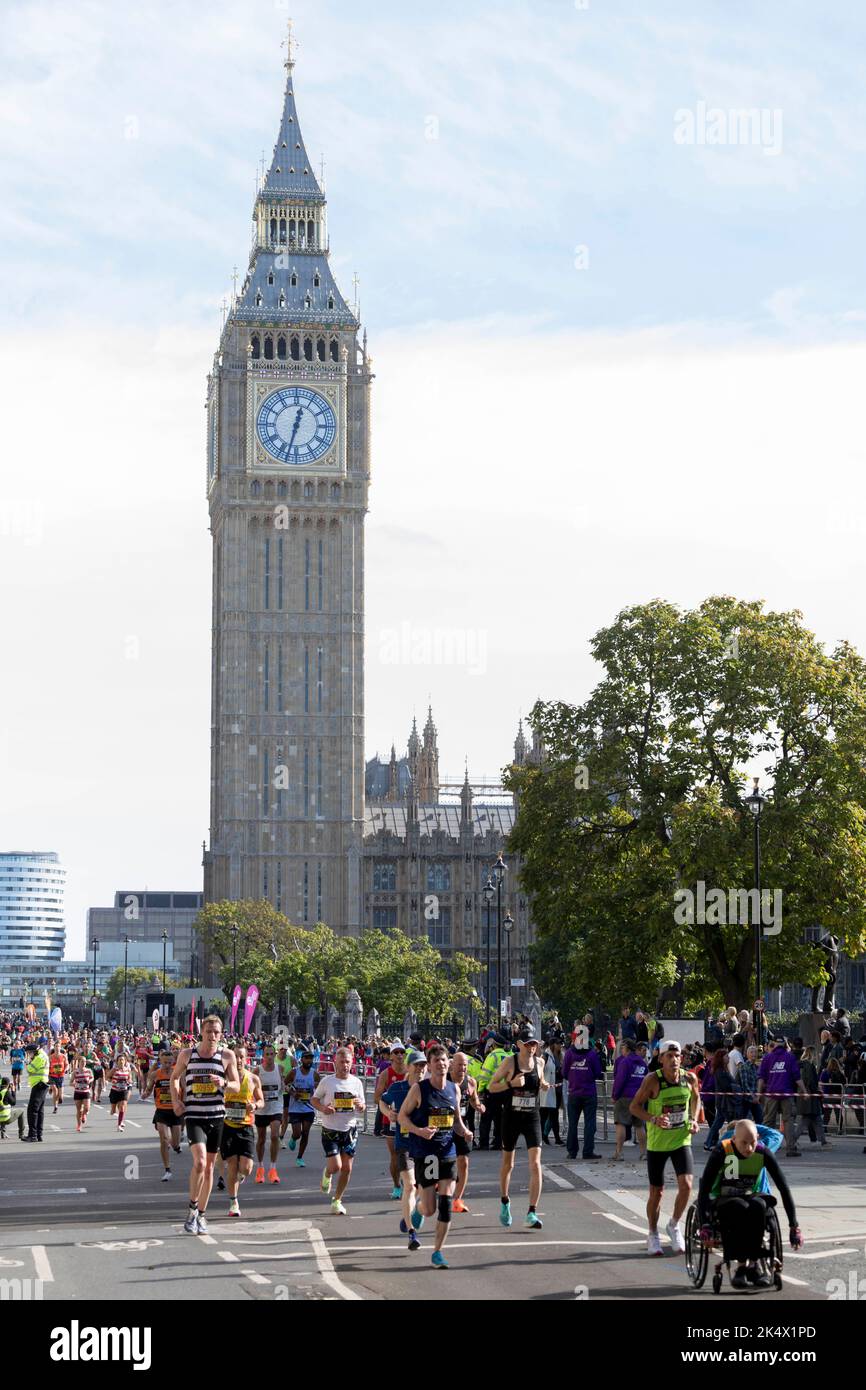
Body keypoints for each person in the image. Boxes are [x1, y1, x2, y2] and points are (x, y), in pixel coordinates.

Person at [697, 1119, 803, 1287]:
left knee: (759, 1206)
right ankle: (740, 1267)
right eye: (743, 1143)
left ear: (758, 1138)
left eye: (752, 1142)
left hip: (750, 1194)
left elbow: (784, 1188)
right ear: (733, 1140)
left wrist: (793, 1226)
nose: (748, 1148)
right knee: (739, 1206)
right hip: (723, 1196)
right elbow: (704, 1189)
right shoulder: (721, 1151)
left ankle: (754, 1266)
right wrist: (705, 1224)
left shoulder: (763, 1152)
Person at [397, 1043, 474, 1269]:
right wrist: (420, 1131)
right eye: (436, 1061)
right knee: (429, 1209)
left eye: (443, 1060)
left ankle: (438, 1252)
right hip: (425, 1153)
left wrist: (465, 1132)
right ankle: (418, 1208)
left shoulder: (455, 1089)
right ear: (430, 1066)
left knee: (446, 1203)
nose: (440, 1064)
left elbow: (457, 1122)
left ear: (448, 1063)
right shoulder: (419, 1090)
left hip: (447, 1152)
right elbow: (402, 1117)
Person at [629, 1040, 700, 1255]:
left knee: (687, 1185)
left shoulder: (690, 1078)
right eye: (669, 1056)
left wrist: (694, 1119)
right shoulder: (652, 1080)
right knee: (657, 1192)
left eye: (677, 1055)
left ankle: (674, 1224)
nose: (674, 1060)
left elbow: (697, 1099)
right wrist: (653, 1119)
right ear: (661, 1059)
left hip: (681, 1140)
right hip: (658, 1143)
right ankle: (652, 1233)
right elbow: (634, 1107)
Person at [171, 1015, 240, 1235]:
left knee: (210, 1167)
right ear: (202, 1031)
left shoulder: (227, 1056)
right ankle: (192, 1208)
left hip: (217, 1116)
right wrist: (176, 1100)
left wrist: (224, 1083)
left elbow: (237, 1086)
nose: (212, 1036)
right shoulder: (187, 1054)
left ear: (222, 1034)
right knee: (200, 1163)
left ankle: (201, 1214)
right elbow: (174, 1078)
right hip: (194, 1115)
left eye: (216, 1032)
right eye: (209, 1031)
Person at [487, 1024, 549, 1229]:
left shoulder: (540, 1062)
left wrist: (544, 1084)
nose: (532, 1048)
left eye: (535, 1044)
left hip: (532, 1117)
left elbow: (541, 1080)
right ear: (520, 1044)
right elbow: (491, 1085)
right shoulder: (509, 1062)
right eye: (529, 1044)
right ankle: (505, 1201)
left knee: (535, 1164)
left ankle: (532, 1212)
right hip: (511, 1117)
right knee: (509, 1164)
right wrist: (510, 1084)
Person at [310, 1045, 366, 1215]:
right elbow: (314, 1099)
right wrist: (323, 1108)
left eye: (347, 1062)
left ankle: (337, 1200)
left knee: (347, 1169)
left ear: (352, 1063)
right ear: (335, 1062)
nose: (345, 1065)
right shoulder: (327, 1082)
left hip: (349, 1129)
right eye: (341, 1062)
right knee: (335, 1166)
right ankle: (327, 1174)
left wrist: (360, 1105)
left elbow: (362, 1106)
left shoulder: (356, 1082)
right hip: (330, 1130)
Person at [380, 1049, 427, 1249]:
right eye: (416, 1065)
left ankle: (412, 1213)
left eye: (423, 1065)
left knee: (424, 1189)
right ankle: (411, 1233)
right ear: (408, 1067)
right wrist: (388, 1112)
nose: (420, 1069)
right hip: (404, 1144)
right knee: (409, 1185)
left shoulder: (431, 1089)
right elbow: (382, 1100)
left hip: (426, 1146)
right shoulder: (398, 1088)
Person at [220, 1043, 264, 1216]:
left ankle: (239, 1177)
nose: (238, 1060)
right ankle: (233, 1202)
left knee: (246, 1168)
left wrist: (254, 1105)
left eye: (241, 1057)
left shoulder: (253, 1079)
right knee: (232, 1165)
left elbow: (261, 1101)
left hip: (246, 1127)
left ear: (246, 1058)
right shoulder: (224, 1078)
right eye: (235, 1056)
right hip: (228, 1126)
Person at [448, 1049, 485, 1213]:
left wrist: (479, 1106)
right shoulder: (443, 1080)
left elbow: (474, 1100)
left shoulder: (470, 1082)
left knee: (464, 1162)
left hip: (462, 1127)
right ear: (451, 1066)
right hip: (443, 1126)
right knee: (443, 1162)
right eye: (459, 1065)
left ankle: (457, 1199)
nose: (462, 1068)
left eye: (465, 1065)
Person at [758, 1037, 806, 1157]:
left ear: (774, 1044)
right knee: (788, 1120)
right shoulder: (790, 1057)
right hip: (786, 1093)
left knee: (768, 1121)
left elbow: (761, 1078)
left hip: (771, 1094)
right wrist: (804, 1091)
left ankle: (765, 1147)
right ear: (785, 1045)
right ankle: (791, 1148)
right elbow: (797, 1077)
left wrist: (759, 1094)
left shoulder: (767, 1058)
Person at [373, 1041, 409, 1198]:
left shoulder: (411, 1071)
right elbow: (376, 1097)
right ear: (391, 1056)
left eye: (402, 1052)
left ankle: (410, 1182)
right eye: (397, 1053)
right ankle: (396, 1186)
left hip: (409, 1118)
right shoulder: (386, 1074)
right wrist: (389, 1108)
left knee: (409, 1153)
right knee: (395, 1155)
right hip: (392, 1120)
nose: (400, 1055)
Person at [562, 1027, 602, 1160]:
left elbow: (564, 1073)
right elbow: (597, 1072)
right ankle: (588, 1151)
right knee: (590, 1124)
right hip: (589, 1092)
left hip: (574, 1092)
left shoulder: (569, 1053)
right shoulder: (591, 1054)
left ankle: (572, 1152)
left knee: (572, 1123)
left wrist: (574, 1078)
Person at [145, 1049, 183, 1180]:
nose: (167, 1065)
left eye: (170, 1062)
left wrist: (185, 1104)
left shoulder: (178, 1074)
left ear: (174, 1062)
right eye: (165, 1062)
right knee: (164, 1139)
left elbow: (184, 1090)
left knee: (175, 1143)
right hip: (161, 1110)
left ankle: (177, 1146)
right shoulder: (156, 1074)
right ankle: (167, 1169)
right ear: (160, 1061)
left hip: (175, 1110)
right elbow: (150, 1087)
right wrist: (146, 1093)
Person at [611, 1039, 648, 1161]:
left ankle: (619, 1152)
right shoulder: (642, 1063)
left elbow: (619, 1080)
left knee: (620, 1123)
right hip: (639, 1097)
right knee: (639, 1125)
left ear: (627, 1048)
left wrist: (615, 1095)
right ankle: (644, 1153)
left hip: (625, 1096)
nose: (621, 1050)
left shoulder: (625, 1062)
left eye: (622, 1048)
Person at [283, 1049, 320, 1166]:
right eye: (307, 1058)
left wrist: (315, 1093)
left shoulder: (315, 1074)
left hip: (309, 1108)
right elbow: (285, 1084)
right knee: (298, 1133)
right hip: (295, 1108)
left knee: (306, 1132)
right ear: (302, 1059)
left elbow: (319, 1091)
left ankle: (300, 1158)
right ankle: (294, 1138)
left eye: (311, 1058)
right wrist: (293, 1093)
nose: (309, 1060)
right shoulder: (294, 1072)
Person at [254, 1043, 283, 1184]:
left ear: (275, 1055)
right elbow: (251, 1088)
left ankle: (273, 1168)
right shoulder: (257, 1071)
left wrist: (287, 1088)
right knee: (261, 1139)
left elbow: (283, 1085)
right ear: (263, 1055)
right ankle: (260, 1168)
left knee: (275, 1136)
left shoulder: (280, 1069)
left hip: (276, 1107)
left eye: (272, 1054)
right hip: (261, 1109)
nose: (270, 1057)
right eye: (267, 1054)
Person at [477, 1036, 509, 1150]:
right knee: (500, 1118)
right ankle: (498, 1142)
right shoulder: (509, 1056)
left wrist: (480, 1090)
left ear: (494, 1045)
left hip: (492, 1091)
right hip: (506, 1091)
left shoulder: (492, 1056)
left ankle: (484, 1143)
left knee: (486, 1118)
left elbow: (485, 1075)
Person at [541, 1036, 564, 1145]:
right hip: (547, 1089)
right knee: (546, 1115)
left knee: (553, 1115)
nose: (561, 1045)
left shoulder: (561, 1056)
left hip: (558, 1088)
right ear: (553, 1044)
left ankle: (545, 1135)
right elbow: (540, 1070)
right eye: (559, 1043)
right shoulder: (546, 1056)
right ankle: (553, 1138)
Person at [24, 1041, 50, 1142]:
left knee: (32, 1110)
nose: (29, 1055)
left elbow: (30, 1069)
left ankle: (33, 1135)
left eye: (29, 1053)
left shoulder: (40, 1057)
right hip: (40, 1084)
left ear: (33, 1052)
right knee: (39, 1110)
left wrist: (28, 1063)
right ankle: (39, 1134)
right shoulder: (41, 1055)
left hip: (39, 1084)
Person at [107, 1049, 133, 1131]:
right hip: (115, 1091)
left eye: (123, 1060)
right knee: (113, 1111)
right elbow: (108, 1077)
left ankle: (119, 1125)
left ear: (125, 1061)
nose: (121, 1061)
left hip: (123, 1090)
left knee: (122, 1107)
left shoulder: (127, 1070)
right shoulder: (114, 1069)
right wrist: (112, 1081)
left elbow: (130, 1079)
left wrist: (129, 1082)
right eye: (120, 1060)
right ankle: (112, 1109)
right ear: (117, 1061)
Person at [71, 1052, 94, 1133]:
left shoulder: (89, 1070)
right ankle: (79, 1125)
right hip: (78, 1091)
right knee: (79, 1110)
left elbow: (92, 1078)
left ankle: (84, 1115)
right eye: (82, 1062)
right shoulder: (75, 1072)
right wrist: (74, 1084)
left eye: (85, 1062)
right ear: (79, 1062)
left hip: (86, 1091)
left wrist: (89, 1080)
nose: (83, 1063)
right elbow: (71, 1082)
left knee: (87, 1108)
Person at [0, 1073, 25, 1139]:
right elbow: (13, 1103)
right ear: (8, 1084)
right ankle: (21, 1134)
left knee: (2, 1110)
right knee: (21, 1112)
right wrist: (13, 1091)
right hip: (6, 1118)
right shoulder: (6, 1092)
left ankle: (3, 1132)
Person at [48, 1043, 68, 1113]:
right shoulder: (51, 1057)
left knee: (60, 1097)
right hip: (52, 1076)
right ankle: (55, 1107)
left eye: (58, 1046)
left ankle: (59, 1098)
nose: (57, 1048)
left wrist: (65, 1070)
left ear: (60, 1048)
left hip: (60, 1076)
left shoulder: (63, 1056)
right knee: (55, 1091)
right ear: (54, 1047)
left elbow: (67, 1064)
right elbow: (47, 1066)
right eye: (56, 1046)